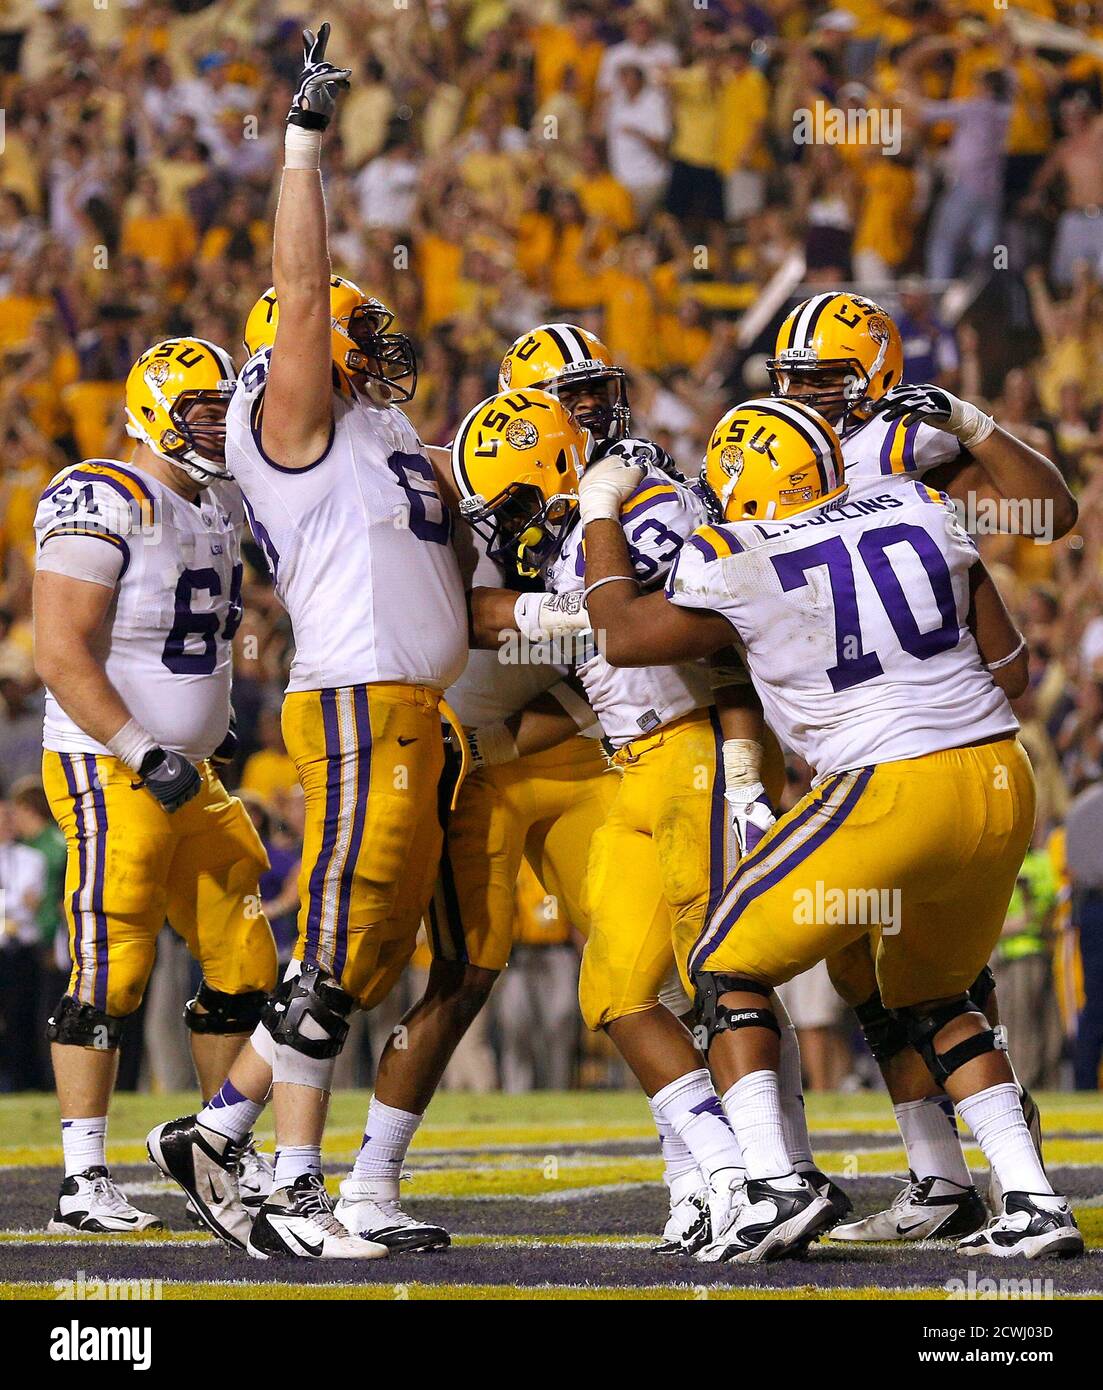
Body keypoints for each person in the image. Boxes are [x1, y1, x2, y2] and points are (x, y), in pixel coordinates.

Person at [578, 397, 1084, 1263]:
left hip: (890, 788)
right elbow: (1013, 671)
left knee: (723, 959)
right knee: (933, 995)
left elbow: (621, 634)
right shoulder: (915, 505)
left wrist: (597, 509)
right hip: (1002, 780)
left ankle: (774, 1181)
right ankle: (1033, 1201)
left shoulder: (738, 550)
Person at [147, 24, 467, 1261]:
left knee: (368, 953)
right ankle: (284, 1185)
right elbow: (296, 285)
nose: (371, 342)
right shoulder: (293, 416)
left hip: (409, 706)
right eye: (344, 326)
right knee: (336, 946)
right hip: (352, 700)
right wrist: (302, 144)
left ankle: (218, 1130)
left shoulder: (388, 439)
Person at [456, 388, 845, 1255]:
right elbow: (518, 634)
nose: (510, 524)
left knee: (719, 971)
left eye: (515, 500)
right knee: (617, 993)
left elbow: (727, 640)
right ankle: (726, 1177)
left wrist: (745, 772)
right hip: (637, 765)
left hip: (700, 751)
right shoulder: (575, 544)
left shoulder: (647, 509)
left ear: (560, 469)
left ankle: (779, 1177)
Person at [768, 290, 1077, 1240]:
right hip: (840, 737)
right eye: (794, 383)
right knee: (871, 977)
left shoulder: (898, 447)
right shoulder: (778, 447)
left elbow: (1049, 512)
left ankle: (1006, 1179)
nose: (807, 398)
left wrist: (972, 423)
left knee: (924, 983)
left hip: (909, 739)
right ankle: (943, 1178)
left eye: (824, 380)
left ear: (875, 379)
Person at [32, 335, 277, 1234]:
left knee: (247, 962)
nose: (218, 426)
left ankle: (219, 1152)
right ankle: (81, 1181)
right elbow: (59, 651)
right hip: (111, 765)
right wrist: (145, 752)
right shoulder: (106, 495)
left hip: (190, 775)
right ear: (148, 412)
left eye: (226, 409)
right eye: (201, 410)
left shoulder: (218, 500)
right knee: (114, 965)